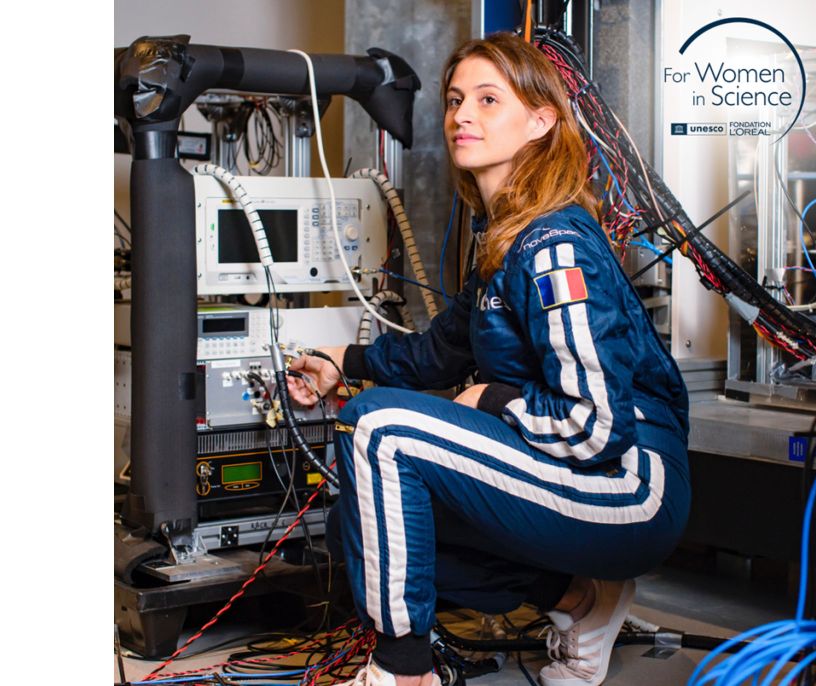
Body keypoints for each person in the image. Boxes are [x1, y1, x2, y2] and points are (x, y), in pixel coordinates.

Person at [287, 32, 691, 686]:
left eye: (487, 99)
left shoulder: (554, 246)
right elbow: (437, 352)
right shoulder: (505, 240)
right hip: (573, 473)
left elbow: (598, 426)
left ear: (540, 121)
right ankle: (580, 600)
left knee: (377, 428)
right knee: (354, 528)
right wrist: (341, 359)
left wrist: (494, 401)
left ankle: (403, 672)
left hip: (628, 488)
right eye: (454, 101)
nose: (461, 116)